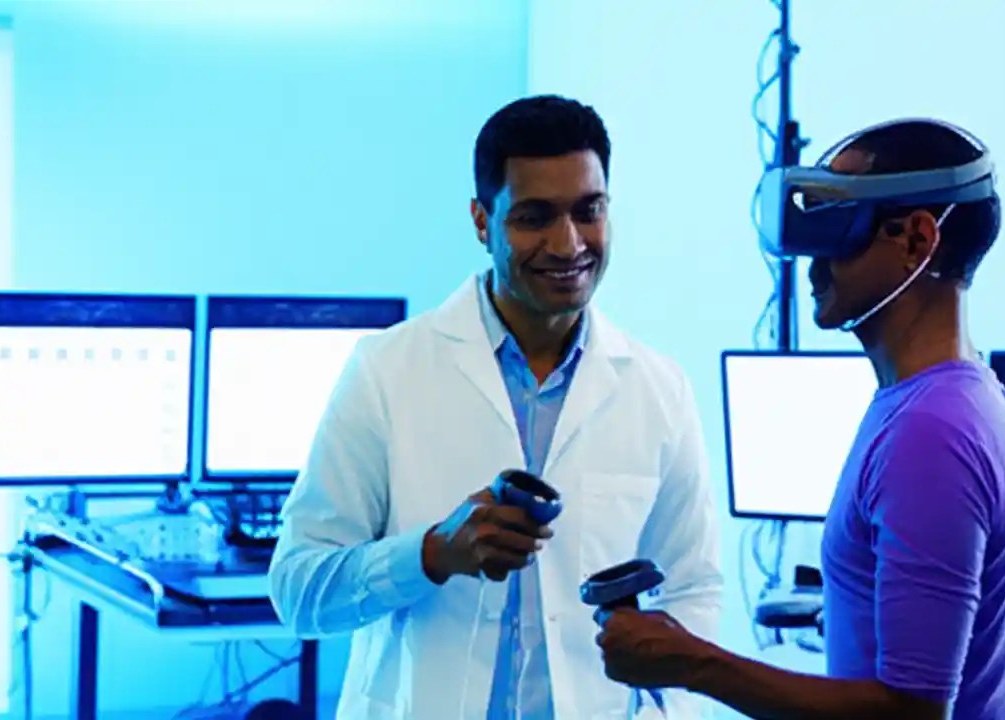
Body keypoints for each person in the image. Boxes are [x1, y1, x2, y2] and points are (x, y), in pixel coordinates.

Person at [269, 94, 722, 719]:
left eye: (588, 211)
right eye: (534, 217)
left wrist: (663, 704)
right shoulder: (386, 370)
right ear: (483, 222)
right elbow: (298, 591)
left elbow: (694, 587)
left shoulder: (658, 388)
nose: (568, 245)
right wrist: (429, 554)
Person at [594, 118, 1005, 720]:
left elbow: (909, 714)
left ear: (916, 240)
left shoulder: (932, 432)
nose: (812, 266)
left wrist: (691, 662)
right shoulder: (964, 397)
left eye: (838, 228)